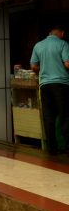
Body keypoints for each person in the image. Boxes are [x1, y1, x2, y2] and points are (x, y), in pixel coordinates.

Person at [30, 24, 69, 155]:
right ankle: (67, 146)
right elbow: (67, 63)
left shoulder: (38, 45)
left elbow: (33, 66)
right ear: (61, 34)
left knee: (48, 116)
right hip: (61, 84)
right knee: (64, 115)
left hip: (45, 85)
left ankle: (52, 149)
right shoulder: (63, 44)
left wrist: (45, 69)